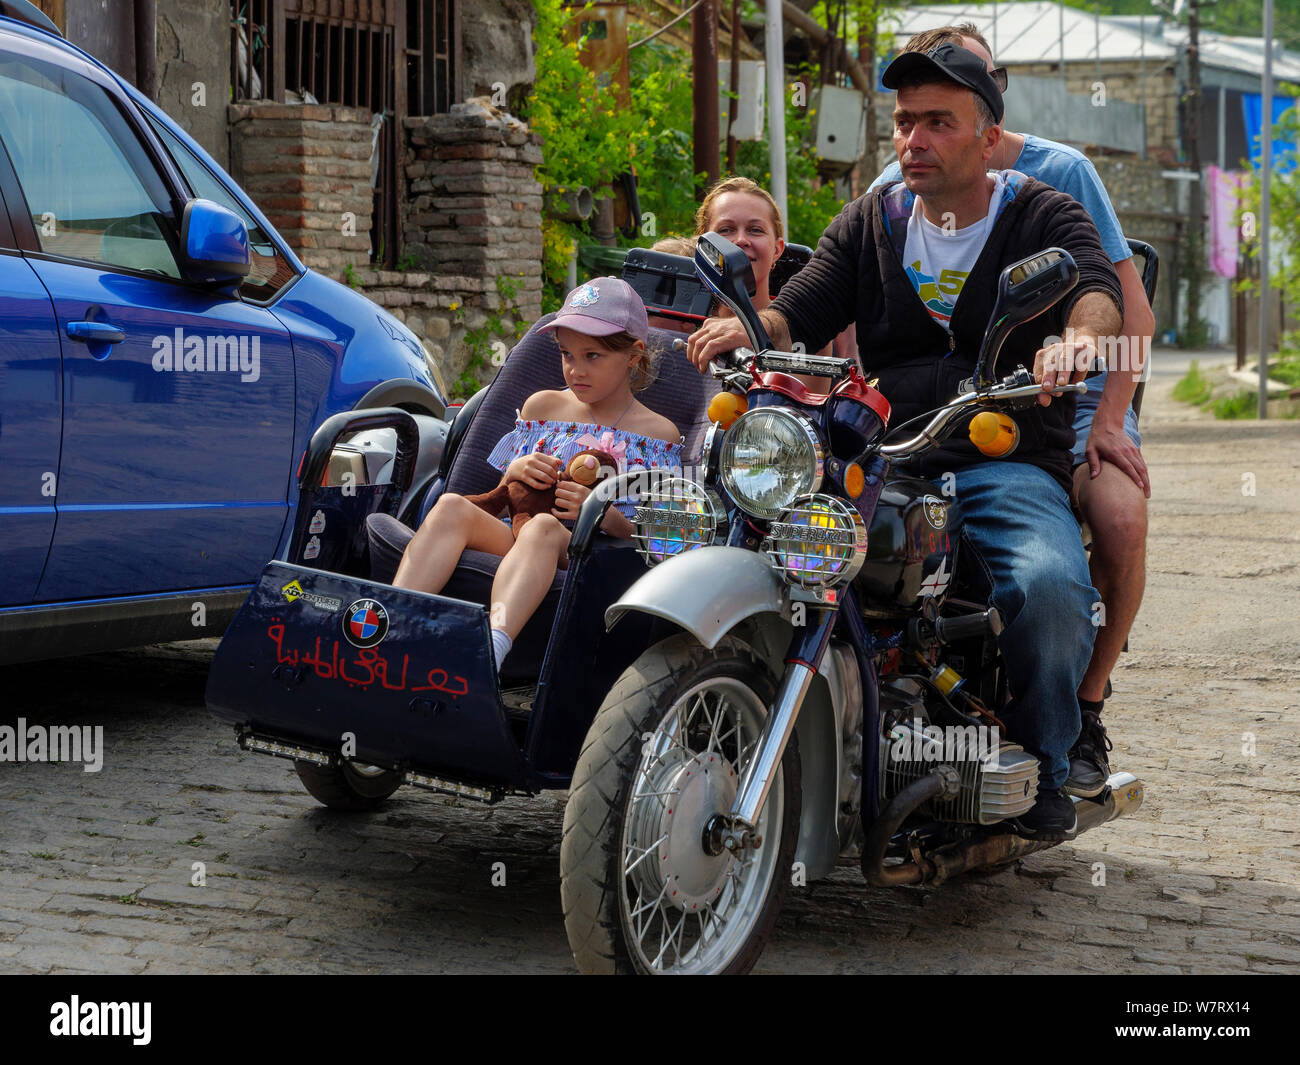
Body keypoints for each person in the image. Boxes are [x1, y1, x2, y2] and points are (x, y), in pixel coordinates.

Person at [687, 42, 1123, 841]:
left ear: (988, 139)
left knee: (1050, 587)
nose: (913, 140)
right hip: (887, 455)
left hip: (1002, 460)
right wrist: (751, 328)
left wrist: (1080, 340)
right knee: (763, 540)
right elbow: (803, 306)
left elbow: (1094, 289)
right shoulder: (873, 218)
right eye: (903, 122)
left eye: (937, 123)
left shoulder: (1041, 212)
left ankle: (1048, 760)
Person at [869, 24, 1154, 800]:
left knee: (1111, 524)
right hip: (930, 419)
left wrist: (1105, 416)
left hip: (1064, 394)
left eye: (948, 105)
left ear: (989, 103)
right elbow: (837, 300)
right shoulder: (892, 192)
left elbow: (1125, 309)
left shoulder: (1058, 177)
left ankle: (1079, 712)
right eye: (908, 117)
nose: (918, 135)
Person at [393, 277, 682, 671]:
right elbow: (505, 500)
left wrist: (601, 514)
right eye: (566, 354)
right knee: (450, 506)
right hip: (519, 534)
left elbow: (663, 533)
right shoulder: (542, 407)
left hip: (592, 554)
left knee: (543, 528)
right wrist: (515, 470)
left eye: (592, 356)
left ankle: (491, 649)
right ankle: (393, 624)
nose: (576, 370)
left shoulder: (658, 434)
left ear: (633, 355)